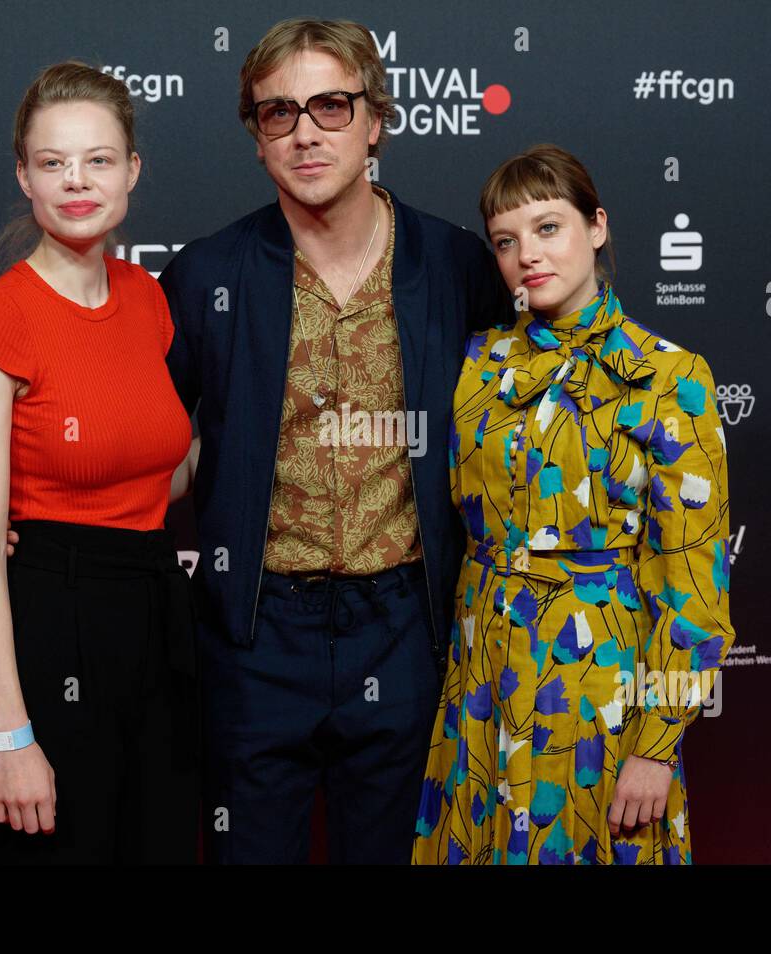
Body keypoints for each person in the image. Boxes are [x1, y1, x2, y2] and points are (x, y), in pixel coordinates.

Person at [156, 18, 512, 863]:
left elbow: (532, 413)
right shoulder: (207, 274)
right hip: (256, 634)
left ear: (375, 119)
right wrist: (54, 518)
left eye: (330, 105)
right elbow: (148, 444)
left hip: (407, 624)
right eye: (278, 112)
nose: (306, 131)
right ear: (256, 136)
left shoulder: (458, 266)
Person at [412, 144, 736, 865]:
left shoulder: (670, 377)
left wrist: (656, 746)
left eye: (548, 227)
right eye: (506, 240)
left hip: (599, 689)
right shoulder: (474, 365)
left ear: (597, 227)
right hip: (483, 681)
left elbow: (694, 587)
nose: (528, 254)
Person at [0, 60, 199, 864]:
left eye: (97, 159)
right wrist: (11, 736)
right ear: (24, 176)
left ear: (132, 169)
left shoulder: (151, 299)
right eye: (53, 163)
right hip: (52, 630)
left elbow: (159, 476)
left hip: (159, 623)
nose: (76, 181)